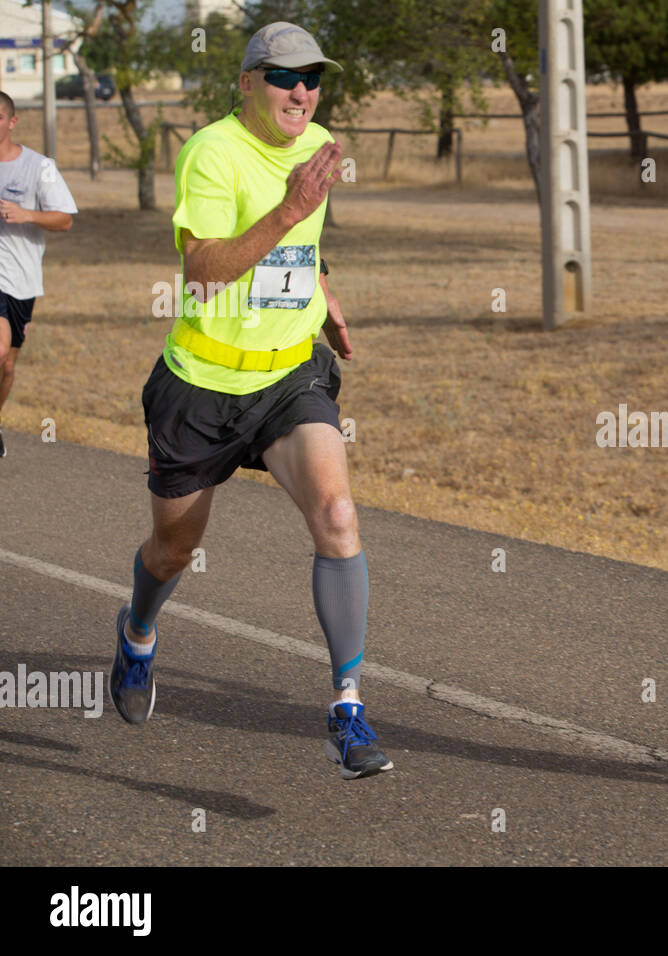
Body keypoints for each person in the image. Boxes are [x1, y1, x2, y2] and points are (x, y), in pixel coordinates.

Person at [110, 22, 393, 779]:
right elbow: (201, 270)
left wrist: (324, 292)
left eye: (312, 77)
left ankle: (346, 709)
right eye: (282, 76)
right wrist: (288, 212)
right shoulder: (210, 152)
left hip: (287, 378)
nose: (301, 91)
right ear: (246, 83)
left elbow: (307, 246)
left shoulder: (319, 142)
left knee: (337, 514)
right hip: (201, 385)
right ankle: (138, 633)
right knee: (175, 549)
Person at [0, 90, 77, 458]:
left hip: (21, 279)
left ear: (12, 122)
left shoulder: (38, 166)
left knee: (7, 363)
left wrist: (26, 214)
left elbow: (64, 220)